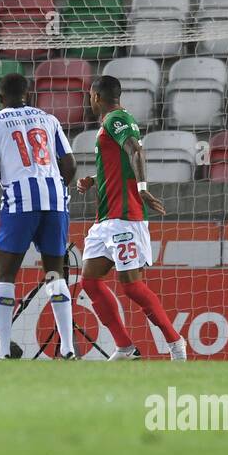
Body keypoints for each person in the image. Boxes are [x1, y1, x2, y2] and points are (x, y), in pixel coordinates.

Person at [74, 75, 186, 361]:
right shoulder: (111, 123)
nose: (89, 100)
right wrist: (93, 179)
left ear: (97, 96)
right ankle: (125, 347)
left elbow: (136, 150)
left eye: (90, 96)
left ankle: (175, 342)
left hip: (124, 218)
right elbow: (119, 165)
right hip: (106, 219)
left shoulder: (116, 120)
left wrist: (143, 189)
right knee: (90, 281)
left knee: (132, 285)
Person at [0, 73, 76, 360]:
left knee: (6, 275)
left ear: (0, 97)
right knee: (55, 273)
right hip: (55, 200)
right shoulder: (50, 120)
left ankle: (4, 351)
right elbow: (70, 166)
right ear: (28, 95)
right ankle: (68, 349)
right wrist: (53, 189)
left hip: (20, 202)